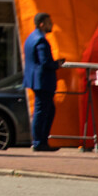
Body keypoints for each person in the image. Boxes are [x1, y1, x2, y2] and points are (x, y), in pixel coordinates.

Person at [23, 12, 65, 152]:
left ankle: (41, 141)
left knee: (47, 110)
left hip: (35, 80)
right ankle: (39, 142)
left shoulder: (31, 38)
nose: (51, 25)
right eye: (49, 22)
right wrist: (57, 64)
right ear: (42, 24)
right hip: (42, 81)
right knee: (42, 111)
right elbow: (44, 62)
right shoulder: (41, 40)